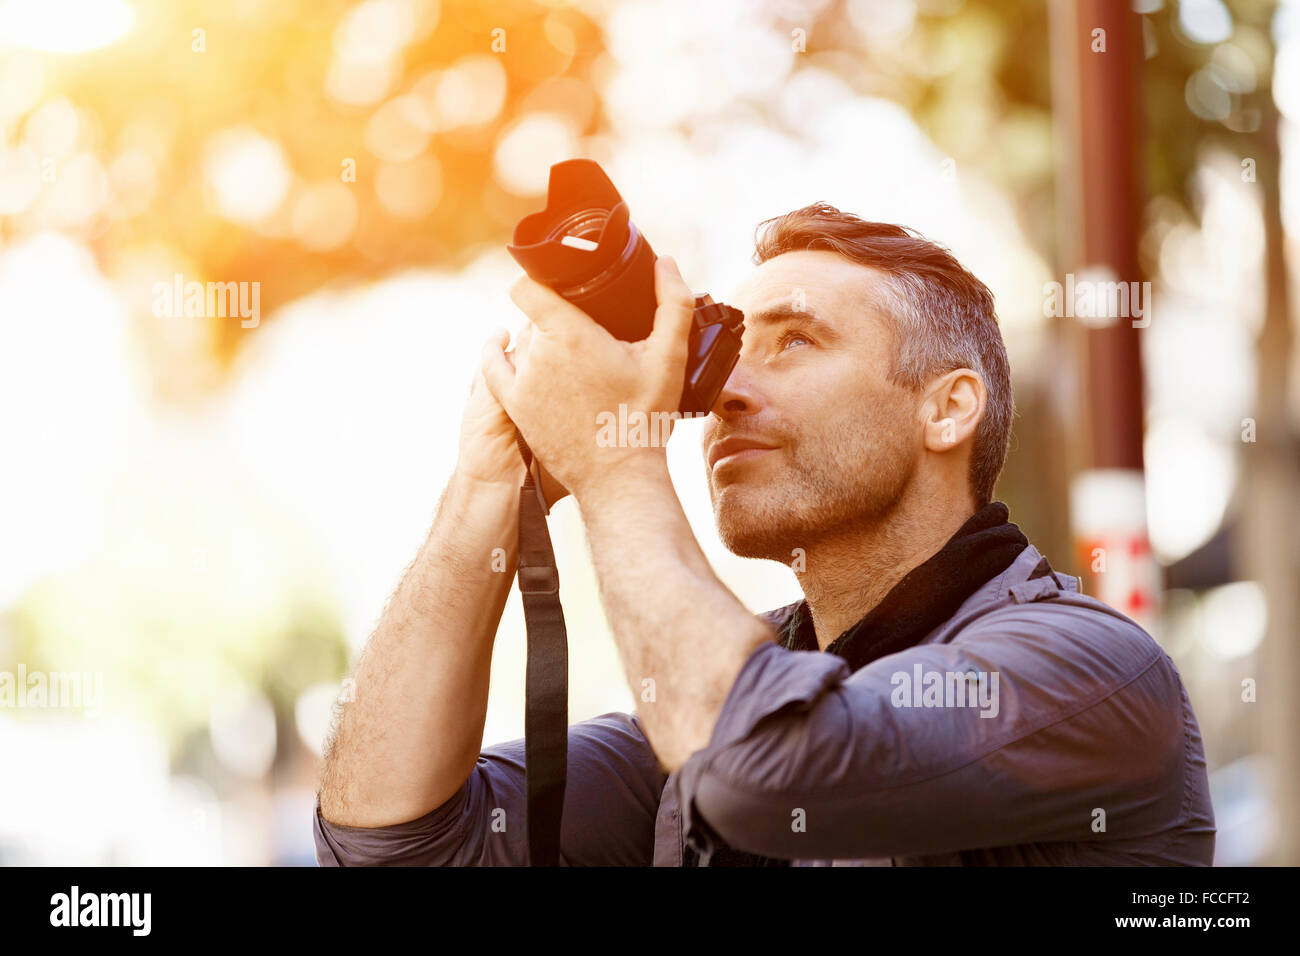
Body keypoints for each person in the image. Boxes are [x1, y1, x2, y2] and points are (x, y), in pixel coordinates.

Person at [313, 204, 1215, 866]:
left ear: (947, 409)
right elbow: (385, 842)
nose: (726, 395)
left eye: (793, 344)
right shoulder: (701, 712)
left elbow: (769, 768)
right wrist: (487, 487)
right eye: (728, 355)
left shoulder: (1089, 669)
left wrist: (613, 462)